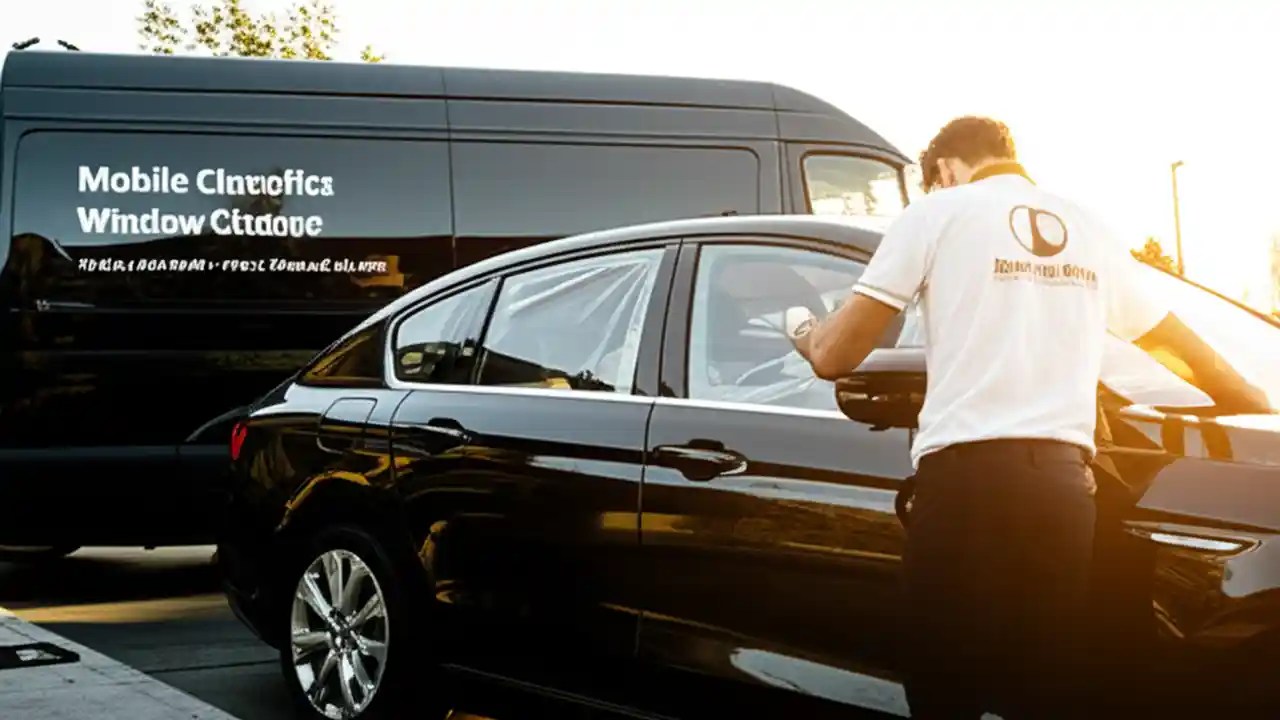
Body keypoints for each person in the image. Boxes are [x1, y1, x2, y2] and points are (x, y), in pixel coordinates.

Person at [787, 116, 1271, 719]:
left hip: (964, 486)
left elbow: (834, 356)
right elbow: (1179, 350)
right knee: (1045, 688)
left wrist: (803, 331)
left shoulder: (936, 214)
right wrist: (1257, 402)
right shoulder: (1088, 226)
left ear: (944, 170)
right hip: (1063, 492)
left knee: (943, 686)